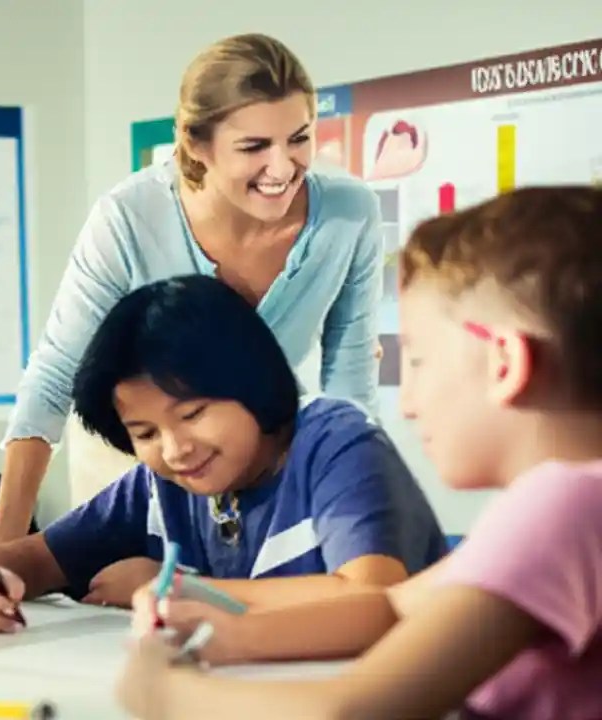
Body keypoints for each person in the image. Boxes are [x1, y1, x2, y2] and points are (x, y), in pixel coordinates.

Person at [118, 187, 602, 720]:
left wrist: (163, 693)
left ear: (503, 363)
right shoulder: (574, 505)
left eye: (417, 361)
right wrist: (231, 634)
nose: (409, 405)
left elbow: (347, 713)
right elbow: (393, 606)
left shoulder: (565, 506)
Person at [0, 33, 386, 545]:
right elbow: (53, 376)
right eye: (254, 146)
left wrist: (364, 522)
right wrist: (3, 544)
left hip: (251, 457)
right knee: (121, 587)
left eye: (299, 138)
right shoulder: (129, 218)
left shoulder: (349, 215)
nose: (284, 167)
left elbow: (352, 386)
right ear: (196, 145)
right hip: (135, 455)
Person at [0, 274, 443, 632]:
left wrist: (176, 589)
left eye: (193, 413)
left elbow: (372, 595)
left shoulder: (338, 443)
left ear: (250, 380)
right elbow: (37, 559)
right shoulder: (160, 483)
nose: (175, 449)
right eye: (145, 432)